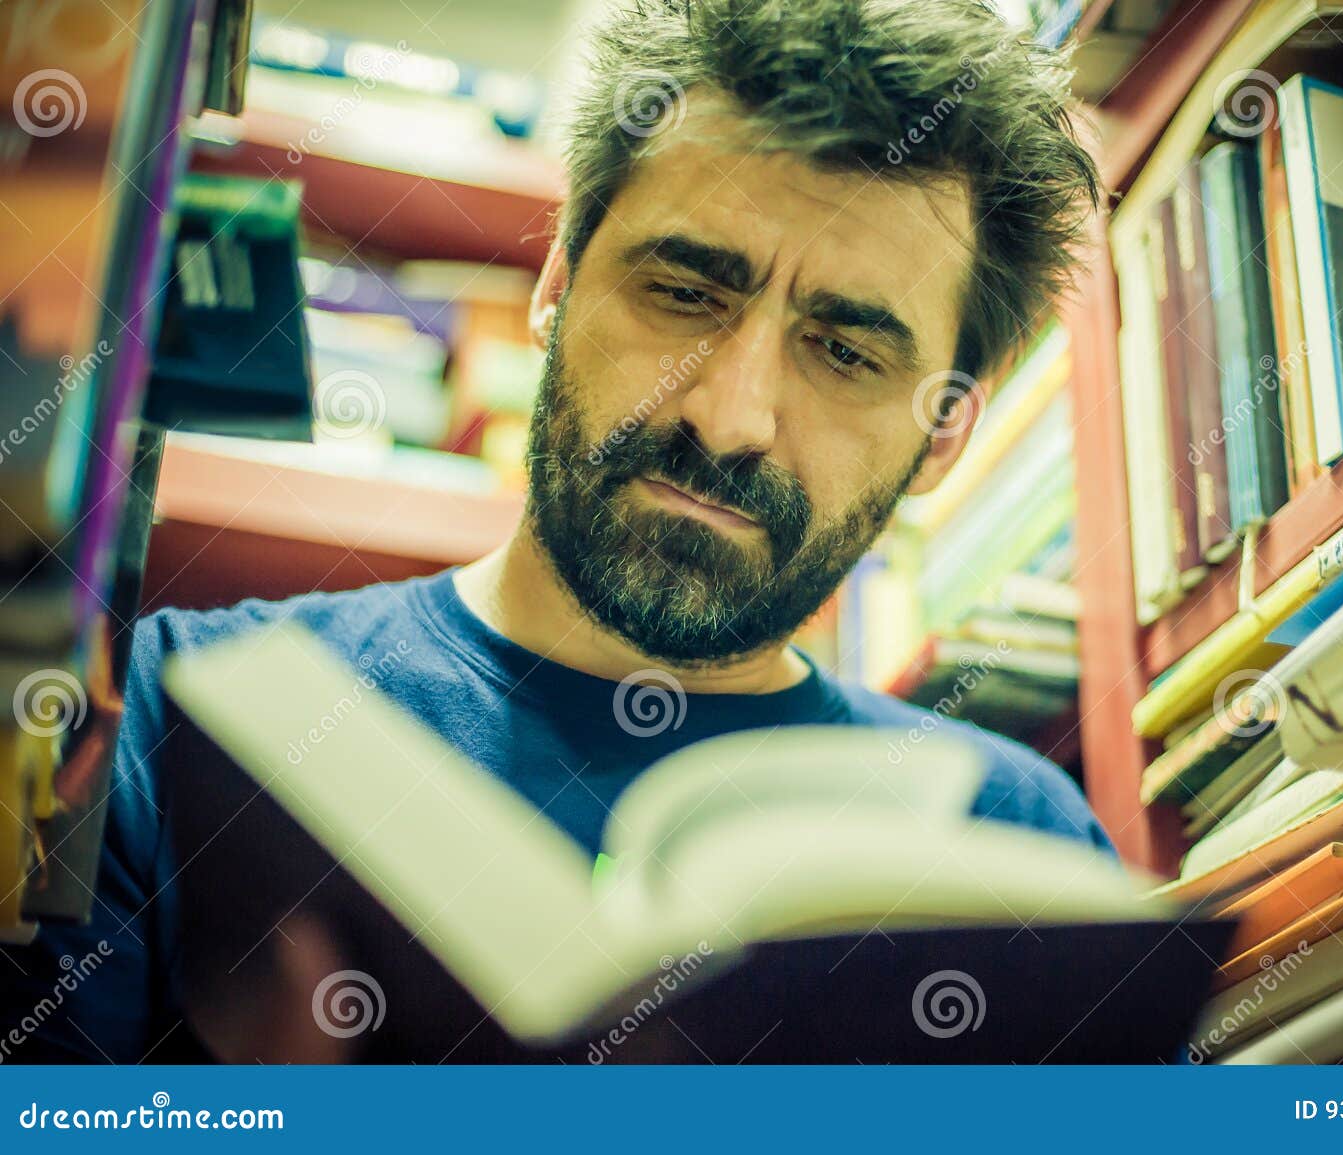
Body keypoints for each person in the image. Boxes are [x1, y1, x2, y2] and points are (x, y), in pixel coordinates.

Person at [1, 0, 1109, 1062]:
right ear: (556, 286)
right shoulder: (160, 715)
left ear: (946, 434)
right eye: (682, 292)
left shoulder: (1018, 847)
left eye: (847, 354)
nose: (726, 418)